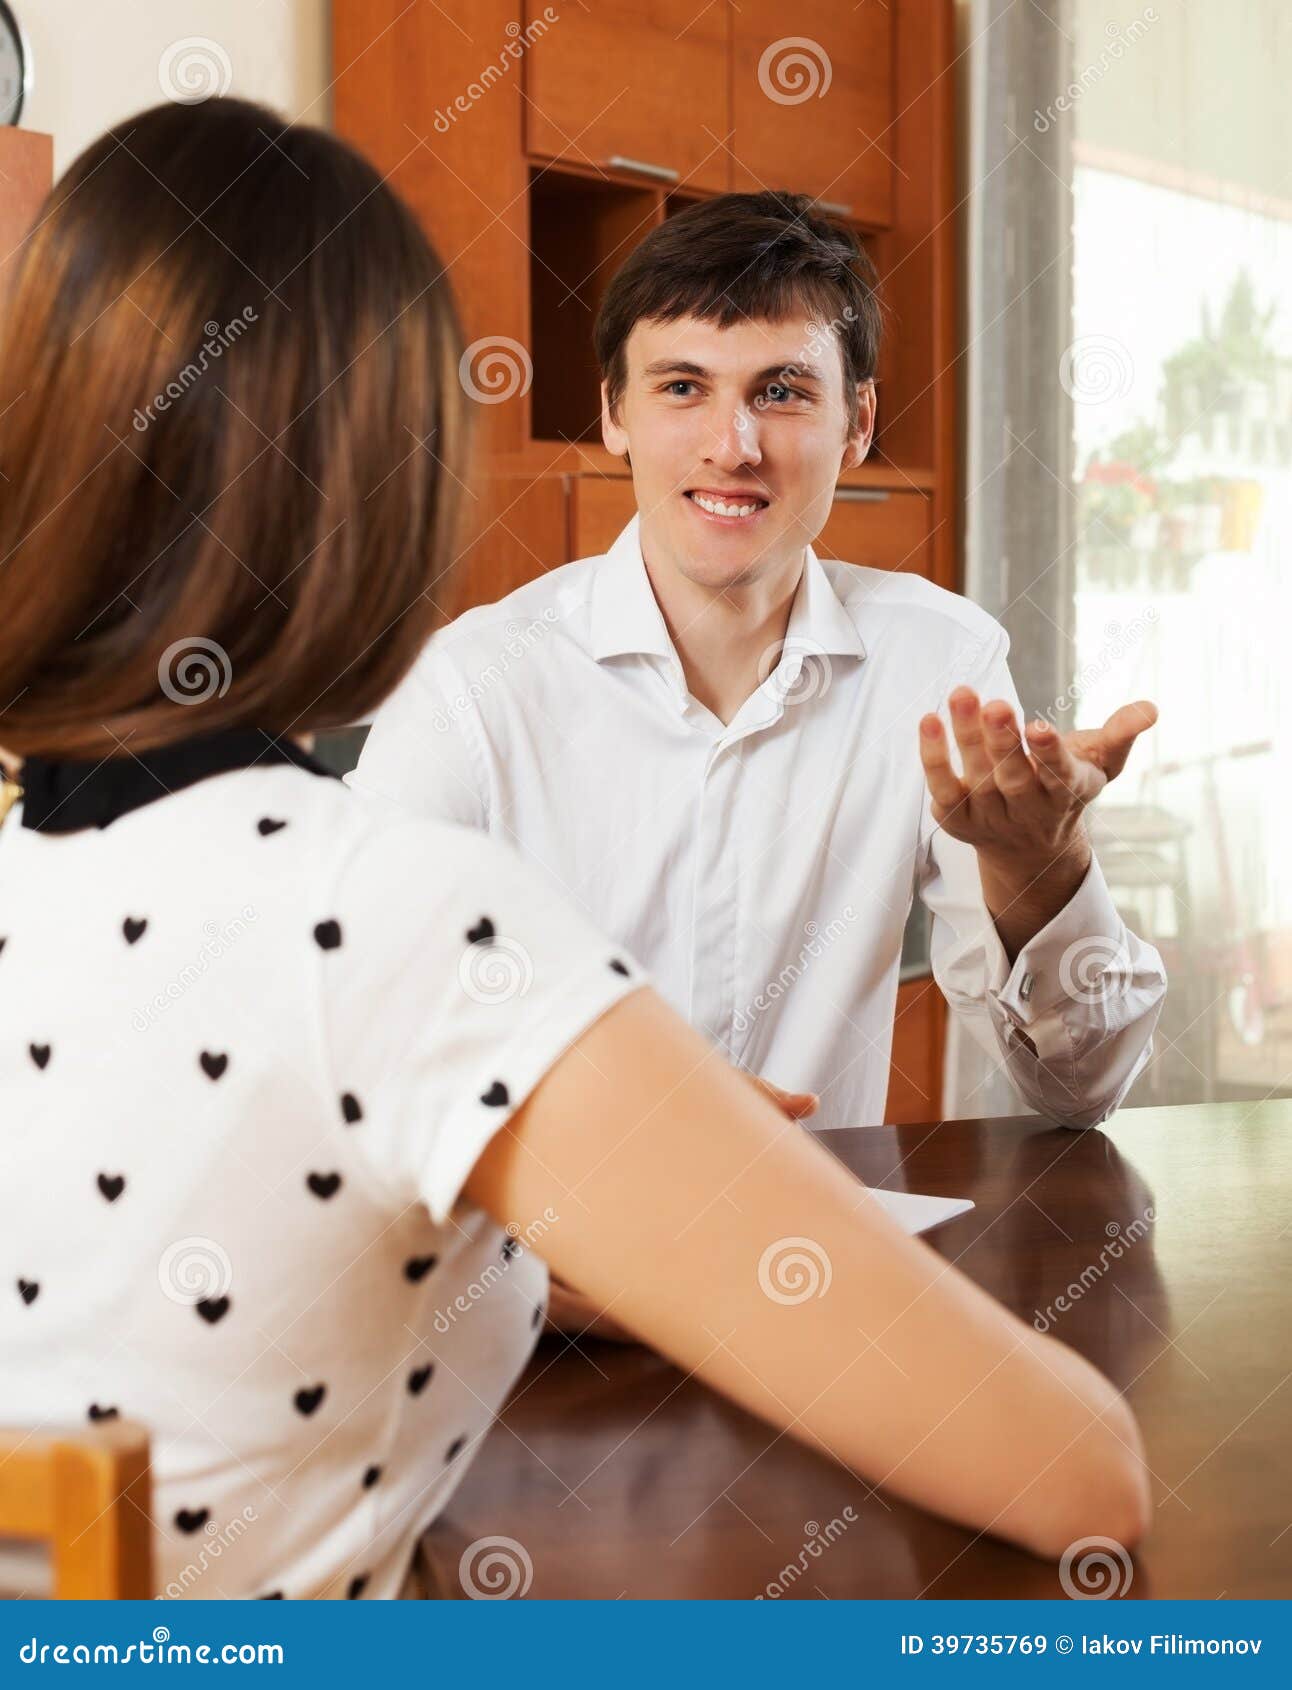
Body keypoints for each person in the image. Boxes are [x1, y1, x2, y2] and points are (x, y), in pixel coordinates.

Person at [0, 98, 1148, 1601]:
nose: (730, 442)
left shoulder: (57, 863)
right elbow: (1086, 1476)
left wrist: (1038, 874)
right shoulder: (402, 894)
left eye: (782, 393)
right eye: (681, 386)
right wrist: (638, 1182)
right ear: (390, 479)